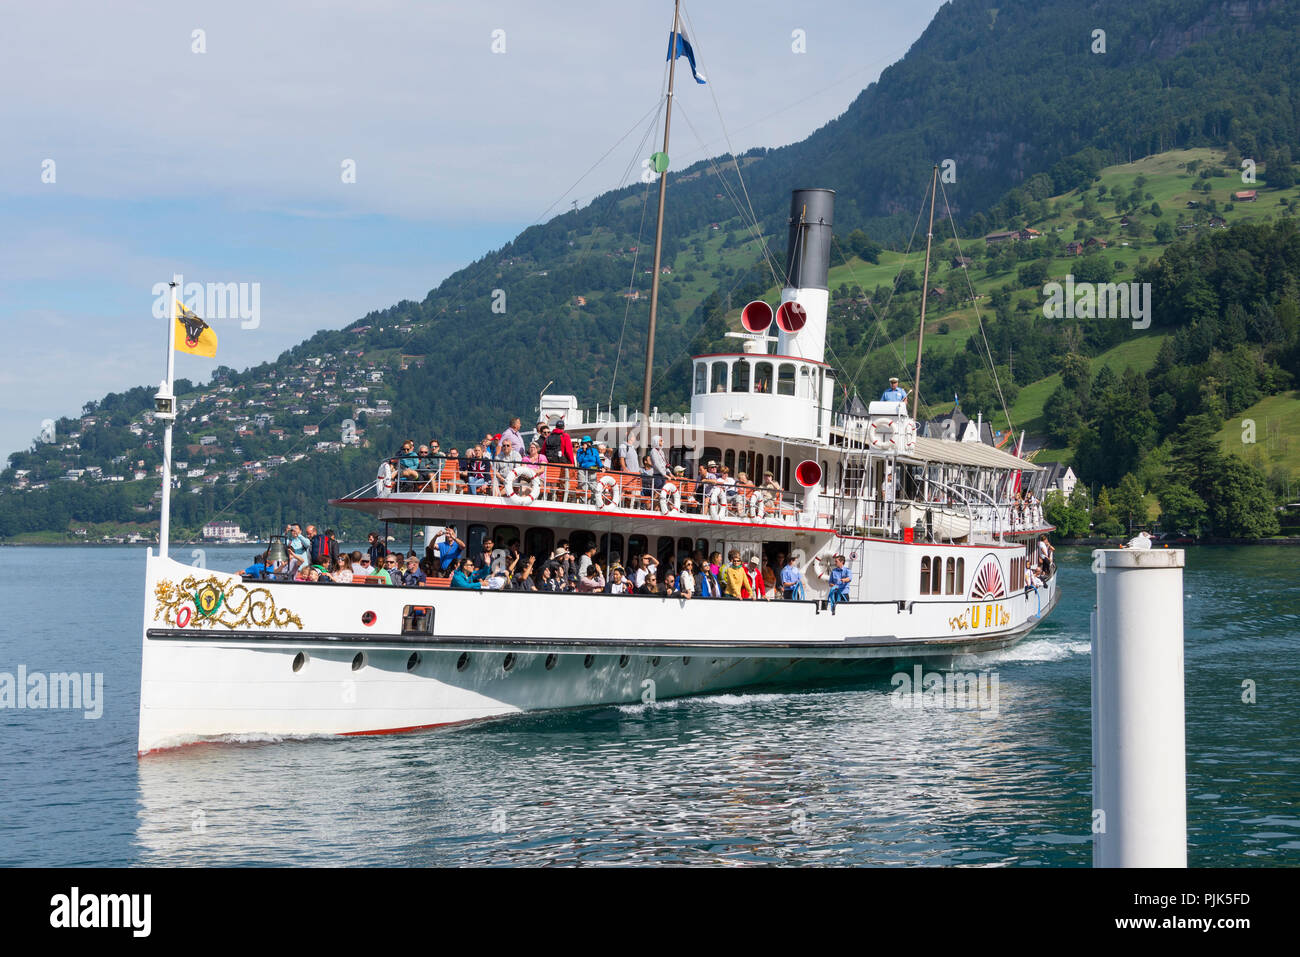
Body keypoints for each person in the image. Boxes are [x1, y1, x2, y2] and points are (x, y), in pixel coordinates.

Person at [575, 436, 602, 501]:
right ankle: (584, 500)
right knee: (583, 485)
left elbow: (598, 460)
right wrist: (583, 452)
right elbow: (579, 460)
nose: (586, 444)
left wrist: (601, 466)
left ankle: (594, 499)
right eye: (585, 443)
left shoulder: (594, 451)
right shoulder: (580, 451)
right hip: (582, 469)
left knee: (593, 485)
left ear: (590, 443)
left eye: (588, 443)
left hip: (592, 468)